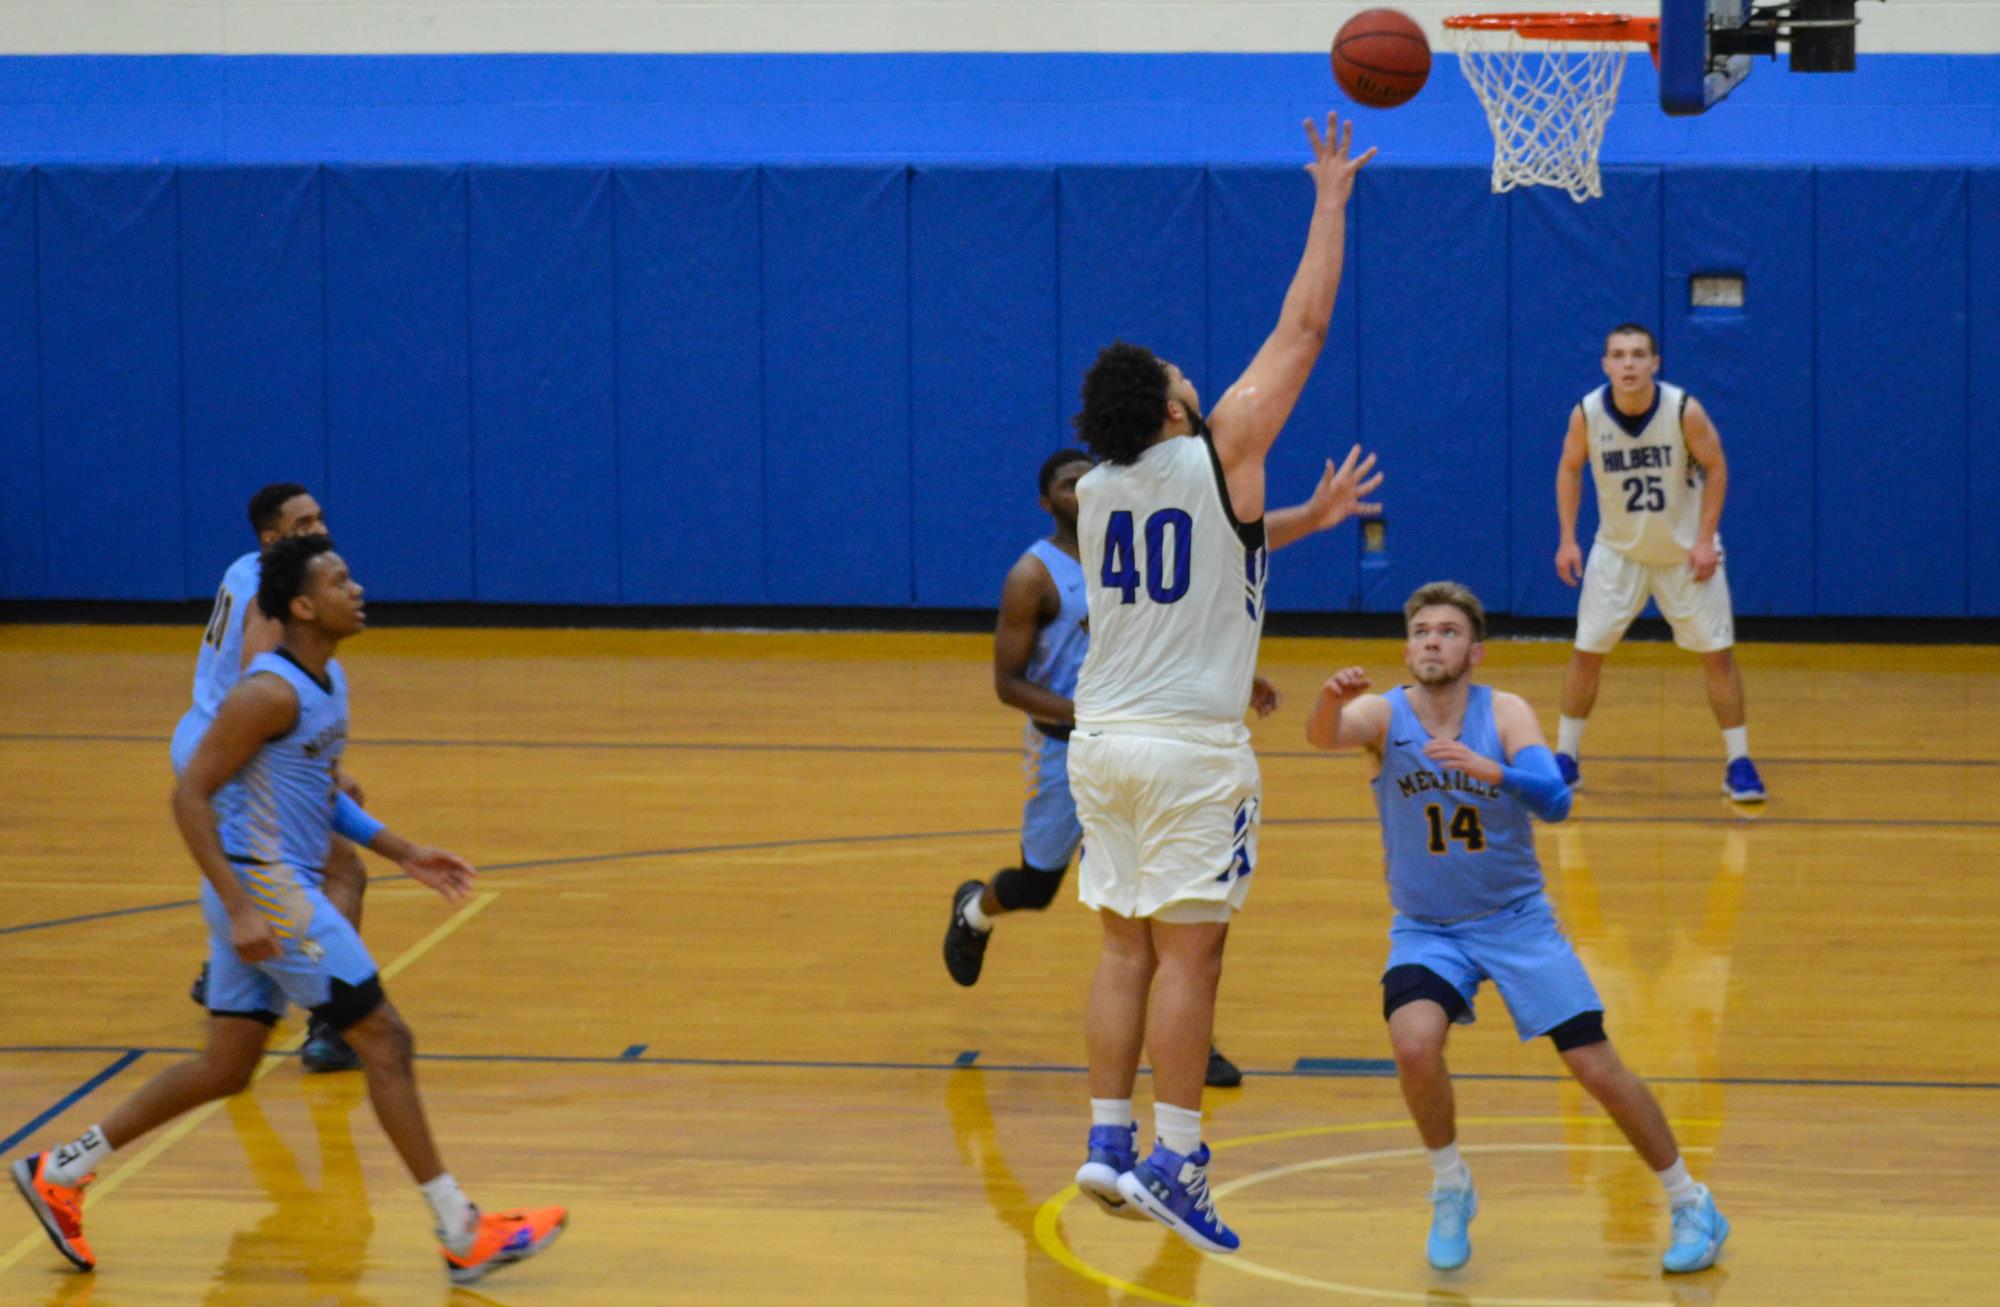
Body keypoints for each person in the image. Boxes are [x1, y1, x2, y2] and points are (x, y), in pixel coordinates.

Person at [11, 535, 567, 1286]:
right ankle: (460, 1229)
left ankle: (60, 1169)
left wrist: (403, 849)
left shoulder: (327, 678)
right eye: (341, 579)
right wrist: (240, 907)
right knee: (387, 1039)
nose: (359, 587)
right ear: (303, 605)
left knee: (225, 1068)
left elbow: (318, 791)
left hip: (273, 885)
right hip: (270, 890)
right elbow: (189, 795)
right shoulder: (268, 692)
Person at [1063, 110, 1378, 1255]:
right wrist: (1330, 198)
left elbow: (1214, 557)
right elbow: (1302, 325)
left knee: (1120, 948)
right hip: (1191, 750)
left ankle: (1105, 1139)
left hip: (1102, 742)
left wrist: (1302, 521)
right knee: (1193, 953)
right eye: (1180, 374)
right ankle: (1179, 1155)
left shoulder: (1099, 490)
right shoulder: (1220, 446)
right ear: (1168, 406)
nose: (1199, 374)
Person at [1304, 580, 1730, 1276]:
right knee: (1413, 1043)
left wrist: (1492, 770)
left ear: (1475, 650)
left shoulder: (1503, 712)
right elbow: (1325, 736)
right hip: (1428, 927)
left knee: (1595, 1064)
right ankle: (1450, 1184)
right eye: (1421, 632)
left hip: (1516, 922)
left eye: (1447, 631)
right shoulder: (1384, 714)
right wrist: (1326, 699)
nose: (1432, 641)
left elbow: (1556, 800)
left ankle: (1692, 1201)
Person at [941, 446, 1394, 1091]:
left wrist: (1237, 680)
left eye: (1084, 480)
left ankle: (1192, 1044)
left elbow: (1178, 638)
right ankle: (974, 912)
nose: (1077, 491)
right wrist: (1098, 711)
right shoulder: (1032, 576)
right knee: (1037, 887)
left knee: (1173, 901)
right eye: (1064, 486)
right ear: (1047, 502)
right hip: (1069, 748)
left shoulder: (1136, 552)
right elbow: (1008, 684)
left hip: (1143, 746)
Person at [179, 482, 373, 1071]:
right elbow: (258, 679)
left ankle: (229, 964)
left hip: (200, 732)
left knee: (250, 858)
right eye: (304, 522)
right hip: (234, 749)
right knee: (339, 867)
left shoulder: (244, 568)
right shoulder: (274, 592)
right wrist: (310, 769)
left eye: (319, 517)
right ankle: (331, 1023)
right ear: (272, 536)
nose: (319, 529)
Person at [1552, 325, 1765, 802]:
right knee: (1586, 652)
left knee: (1717, 655)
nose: (1628, 364)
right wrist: (1568, 539)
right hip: (1619, 551)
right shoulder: (1587, 413)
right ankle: (1565, 758)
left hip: (1683, 554)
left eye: (1638, 355)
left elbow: (1717, 466)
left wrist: (1706, 538)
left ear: (1655, 363)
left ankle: (1740, 762)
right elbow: (1569, 467)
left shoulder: (1683, 410)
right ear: (1605, 364)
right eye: (1619, 356)